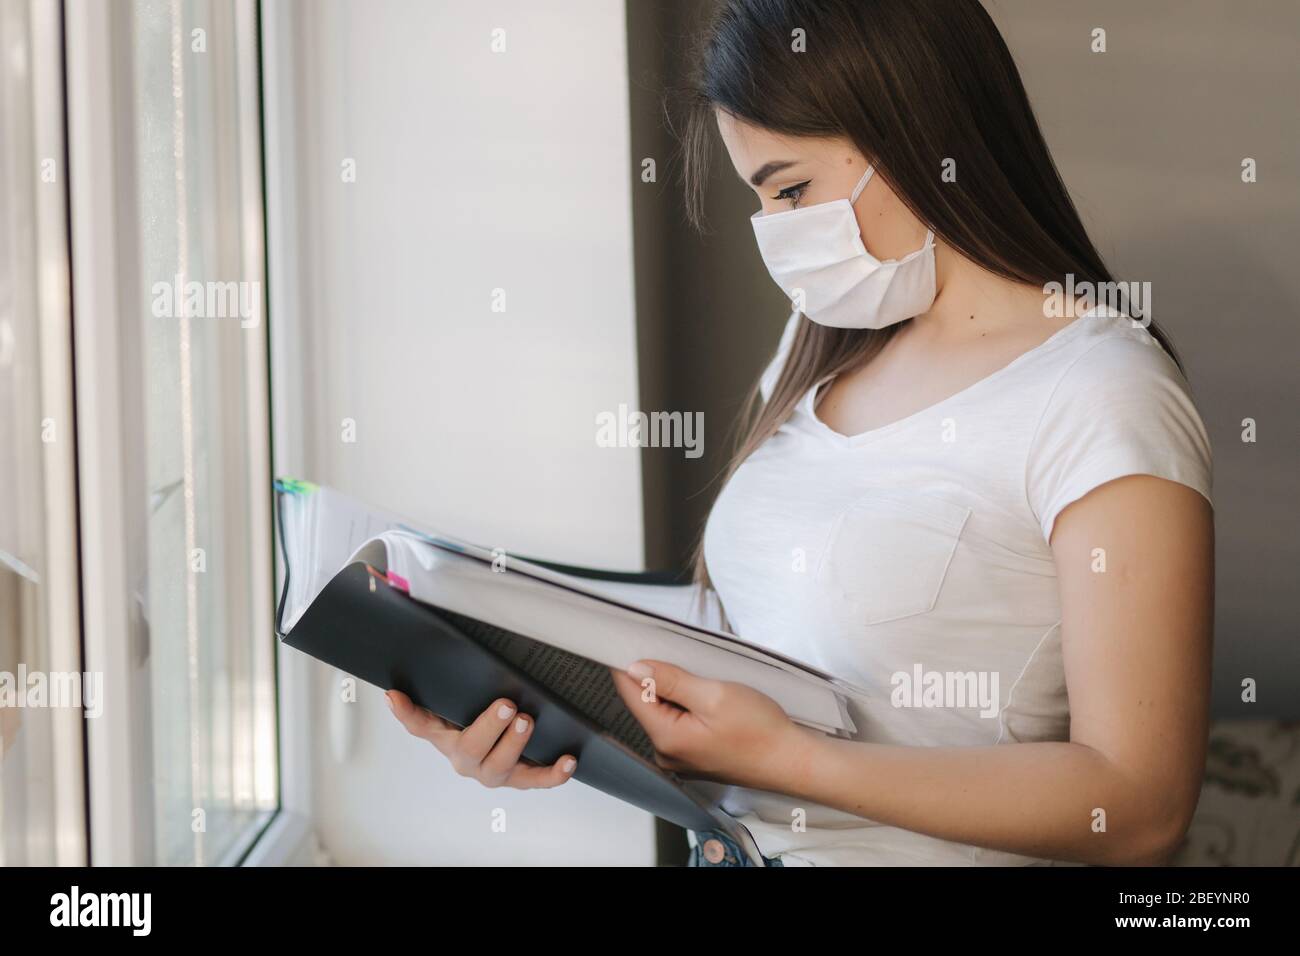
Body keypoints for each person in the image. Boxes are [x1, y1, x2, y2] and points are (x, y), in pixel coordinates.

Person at [388, 0, 1214, 867]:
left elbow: (1140, 805)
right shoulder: (819, 349)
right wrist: (531, 713)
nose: (779, 235)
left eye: (791, 190)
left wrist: (794, 760)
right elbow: (741, 665)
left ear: (913, 126)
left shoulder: (1100, 392)